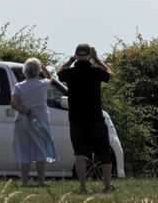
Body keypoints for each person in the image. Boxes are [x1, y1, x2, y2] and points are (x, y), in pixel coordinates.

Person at [57, 44, 115, 194]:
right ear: (89, 55)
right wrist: (97, 60)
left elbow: (59, 72)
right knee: (104, 153)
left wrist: (71, 59)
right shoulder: (96, 72)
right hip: (95, 118)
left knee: (80, 153)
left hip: (76, 120)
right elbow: (111, 74)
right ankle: (107, 186)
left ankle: (83, 187)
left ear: (76, 55)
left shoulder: (70, 73)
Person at [10, 58, 59, 186]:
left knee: (24, 152)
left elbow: (14, 104)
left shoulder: (19, 86)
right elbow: (50, 76)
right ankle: (41, 181)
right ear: (38, 71)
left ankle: (24, 182)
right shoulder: (43, 84)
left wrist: (26, 112)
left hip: (23, 120)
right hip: (41, 120)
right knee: (41, 152)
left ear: (24, 71)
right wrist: (41, 65)